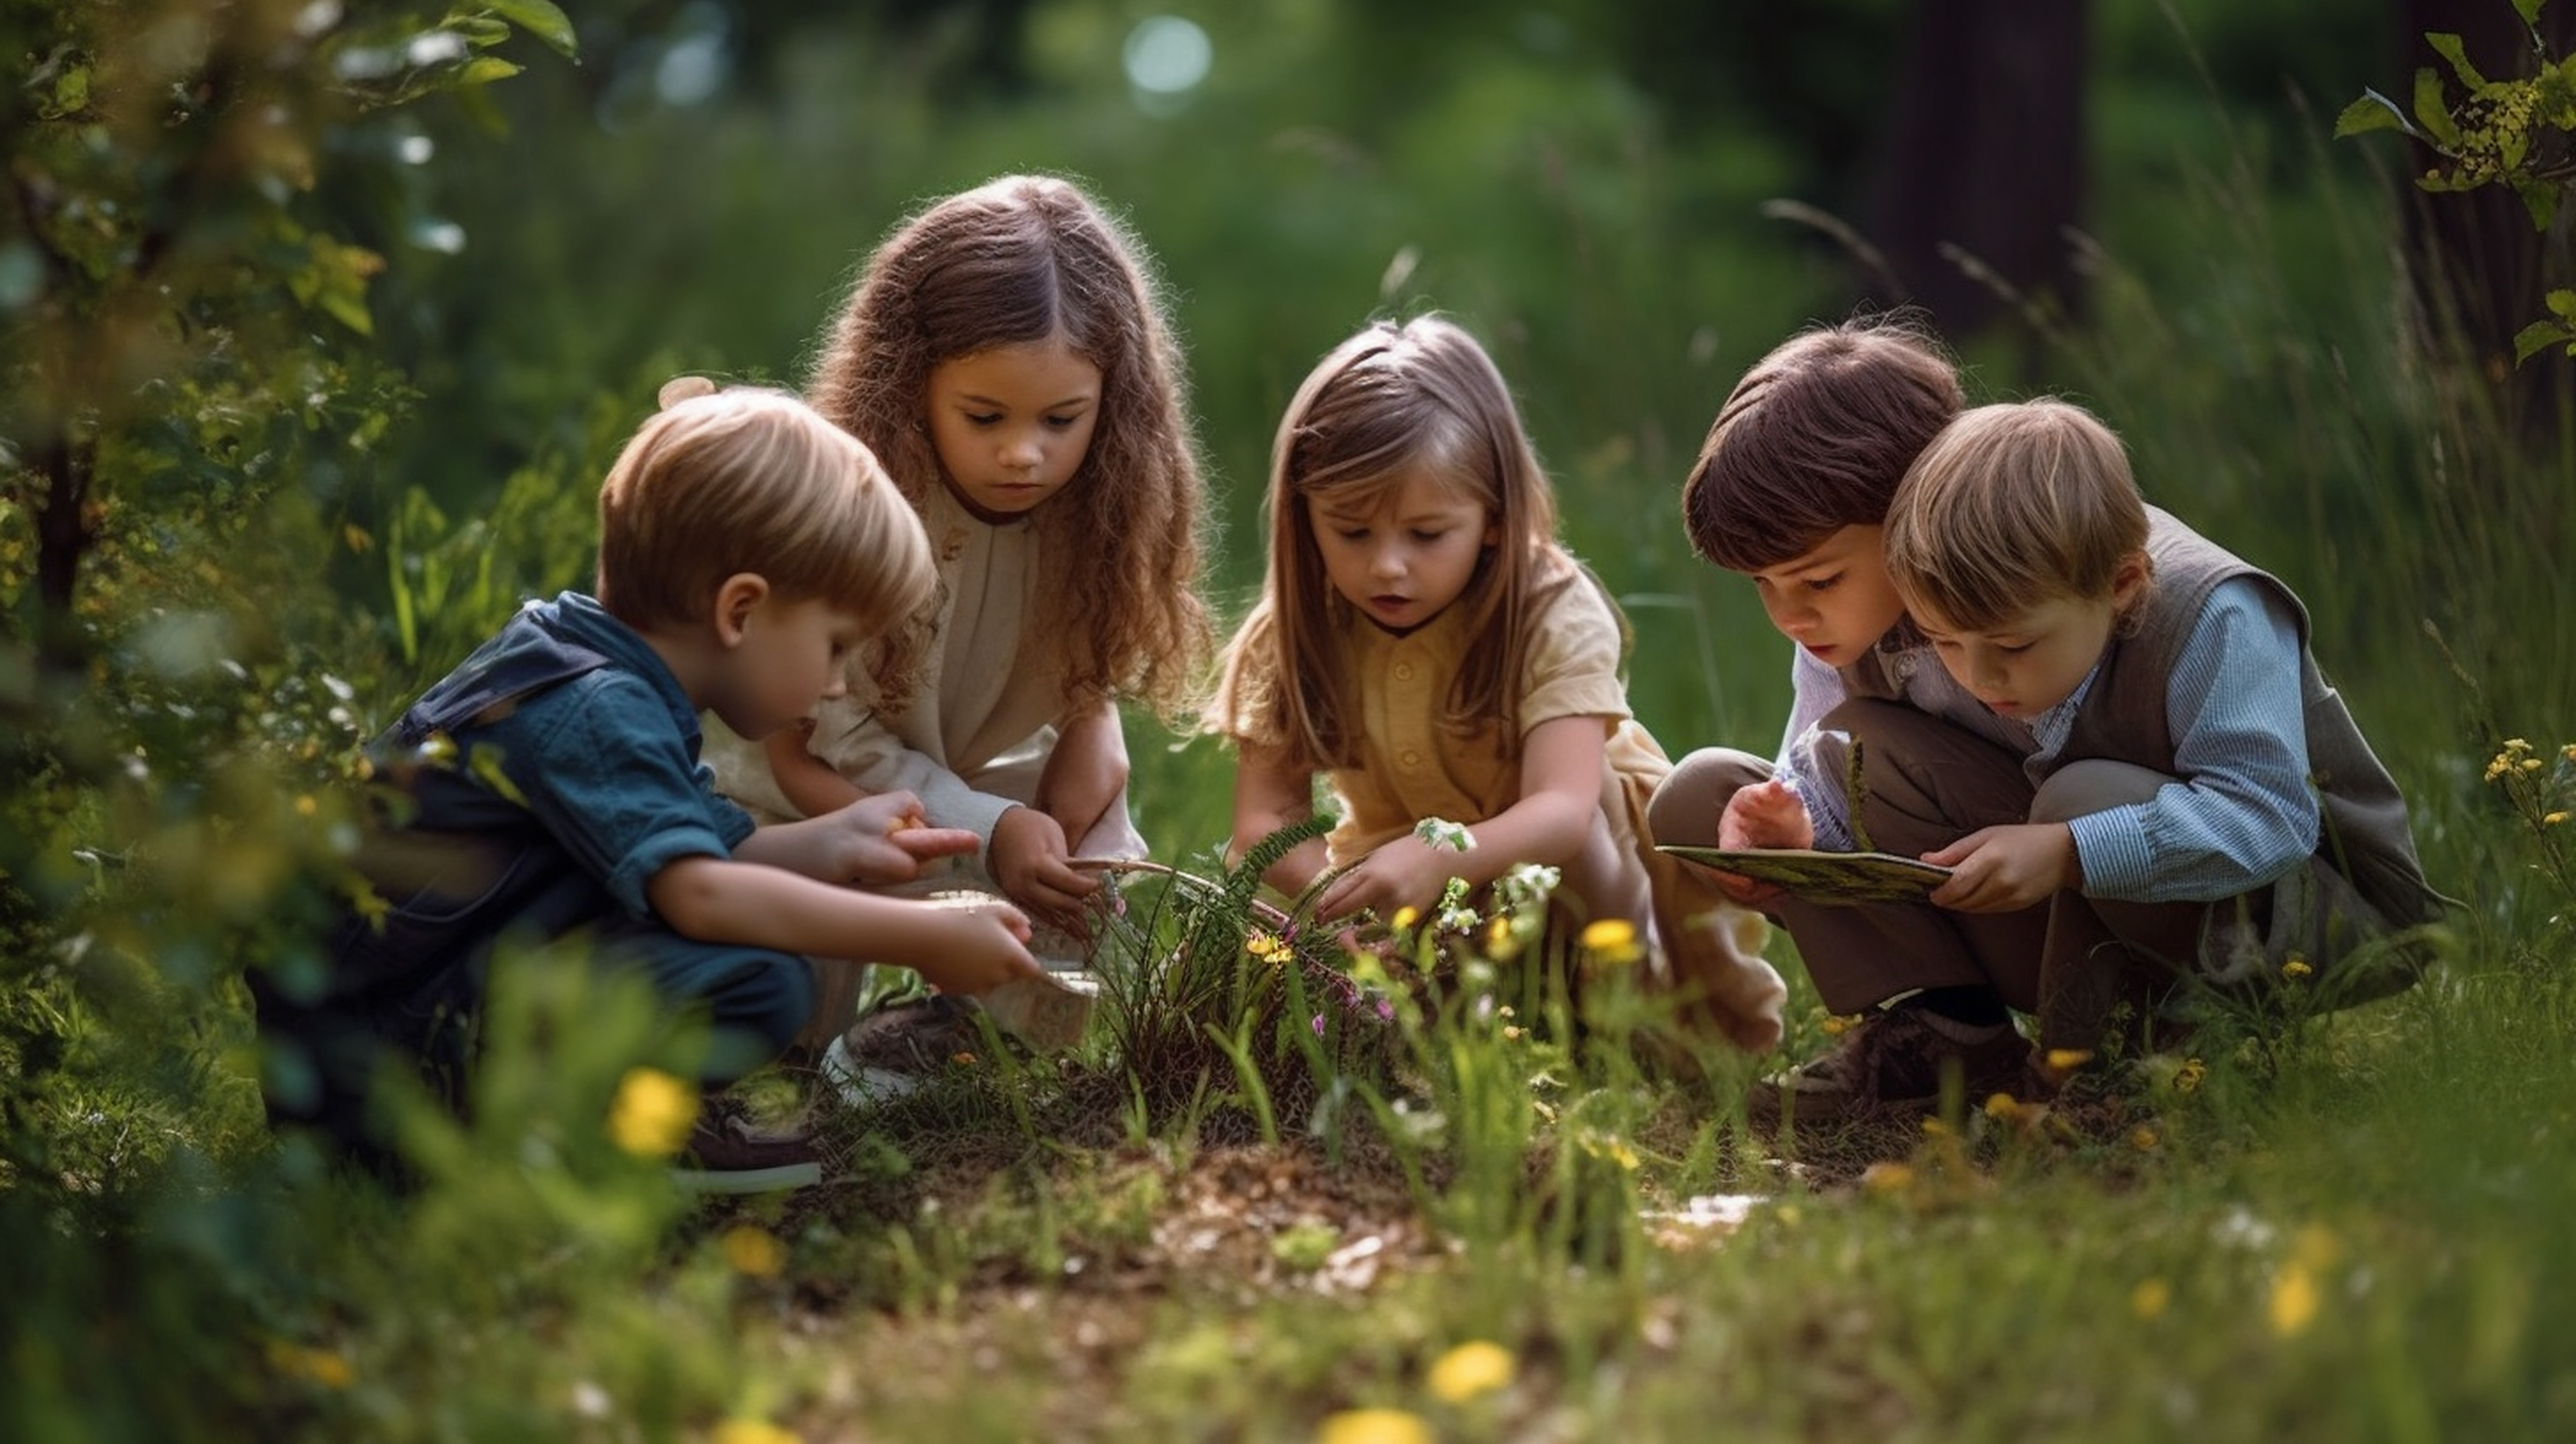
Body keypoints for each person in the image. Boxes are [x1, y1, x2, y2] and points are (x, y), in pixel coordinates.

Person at [254, 380, 1044, 1186]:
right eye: (835, 646)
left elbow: (698, 854)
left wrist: (832, 842)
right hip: (377, 1074)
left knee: (737, 953)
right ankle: (573, 1137)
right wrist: (922, 938)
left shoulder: (582, 665)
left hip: (389, 1022)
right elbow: (701, 896)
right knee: (762, 979)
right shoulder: (598, 710)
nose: (839, 685)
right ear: (741, 611)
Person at [703, 174, 1214, 1089]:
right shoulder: (859, 507)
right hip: (812, 789)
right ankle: (792, 1058)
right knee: (786, 1010)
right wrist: (992, 828)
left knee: (1092, 873)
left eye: (1062, 419)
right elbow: (823, 745)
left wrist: (1087, 755)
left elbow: (1078, 677)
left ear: (1113, 398)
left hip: (969, 770)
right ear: (910, 382)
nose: (1025, 454)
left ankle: (969, 1033)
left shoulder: (1096, 502)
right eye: (985, 418)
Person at [1204, 315, 1784, 1053]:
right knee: (1261, 946)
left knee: (1584, 816)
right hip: (1407, 870)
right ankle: (1459, 1022)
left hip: (1588, 874)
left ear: (1493, 519)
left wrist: (1438, 857)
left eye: (1426, 534)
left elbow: (1564, 812)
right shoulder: (1297, 627)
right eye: (1352, 532)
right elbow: (1264, 826)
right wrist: (1341, 913)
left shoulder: (1549, 609)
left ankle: (1621, 1021)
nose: (1387, 566)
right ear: (1303, 514)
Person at [1647, 315, 2038, 1121]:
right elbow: (1806, 772)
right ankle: (1946, 1033)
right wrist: (1781, 841)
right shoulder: (1836, 638)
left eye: (1819, 580)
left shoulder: (2030, 597)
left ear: (1916, 513)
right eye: (1764, 585)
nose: (1789, 614)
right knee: (1701, 795)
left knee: (1867, 747)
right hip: (1963, 884)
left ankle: (2108, 1046)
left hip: (2080, 887)